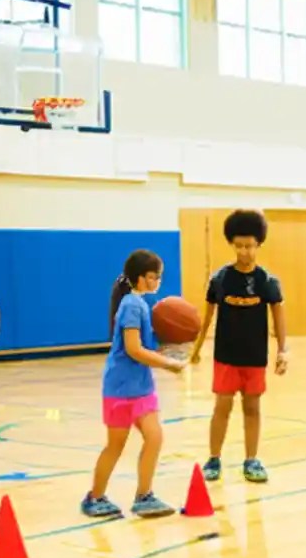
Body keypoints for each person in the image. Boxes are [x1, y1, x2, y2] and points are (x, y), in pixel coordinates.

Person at [81, 250, 186, 518]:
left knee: (155, 437)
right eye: (152, 277)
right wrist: (168, 365)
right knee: (115, 446)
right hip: (120, 389)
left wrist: (167, 351)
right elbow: (133, 349)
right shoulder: (131, 305)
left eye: (159, 277)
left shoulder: (139, 304)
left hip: (141, 387)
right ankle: (94, 497)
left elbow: (145, 348)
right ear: (139, 278)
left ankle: (144, 496)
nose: (157, 282)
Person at [190, 210, 288, 483]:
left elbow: (278, 315)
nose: (244, 251)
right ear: (232, 244)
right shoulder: (220, 279)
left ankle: (252, 460)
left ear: (259, 244)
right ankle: (214, 458)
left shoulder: (267, 281)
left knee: (252, 408)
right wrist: (196, 350)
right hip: (226, 355)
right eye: (239, 245)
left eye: (250, 245)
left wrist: (283, 350)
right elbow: (208, 316)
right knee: (222, 407)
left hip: (255, 356)